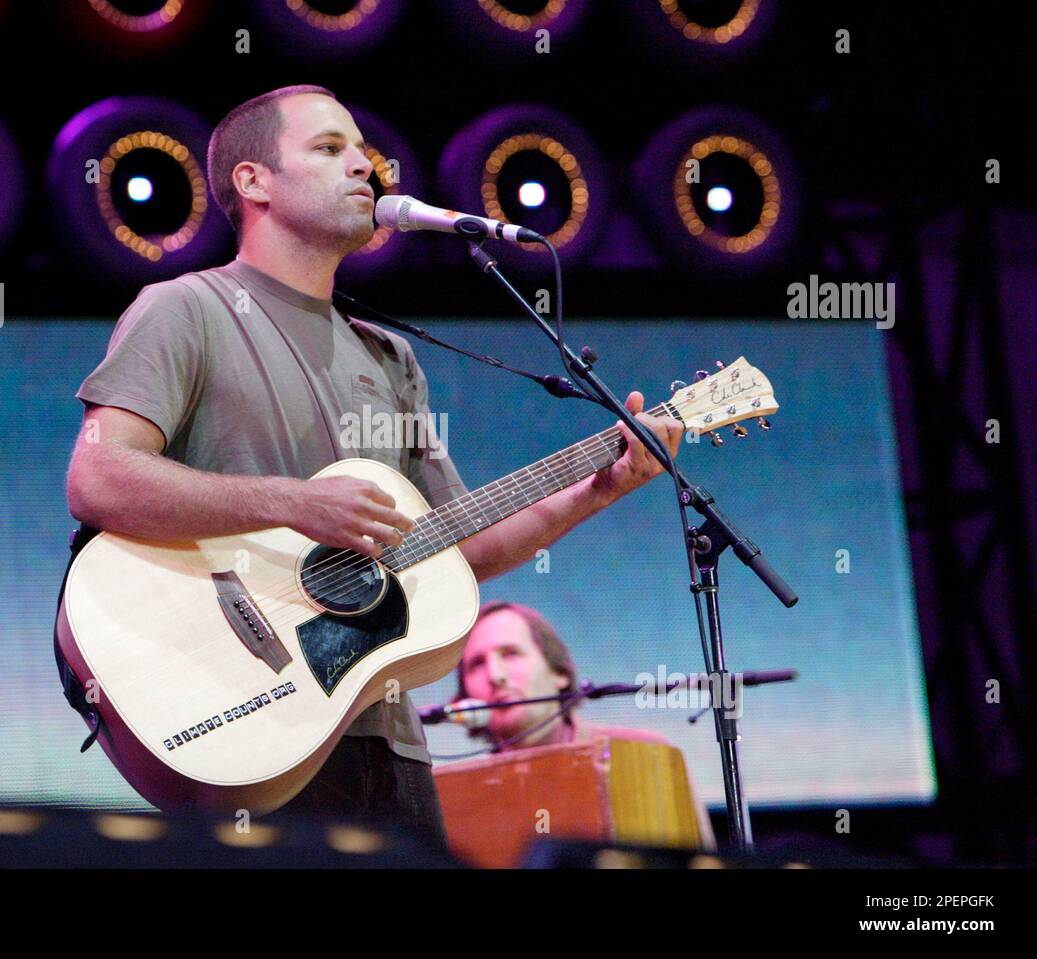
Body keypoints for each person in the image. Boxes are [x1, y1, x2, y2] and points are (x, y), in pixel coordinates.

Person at [65, 84, 683, 846]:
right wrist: (296, 504)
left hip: (385, 737)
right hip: (247, 722)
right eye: (330, 150)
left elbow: (460, 549)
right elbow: (99, 478)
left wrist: (600, 488)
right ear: (253, 181)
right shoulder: (184, 308)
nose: (365, 167)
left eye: (364, 153)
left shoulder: (388, 357)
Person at [456, 600, 672, 750]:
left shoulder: (647, 751)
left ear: (559, 672)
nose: (495, 675)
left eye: (511, 654)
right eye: (476, 664)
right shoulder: (462, 793)